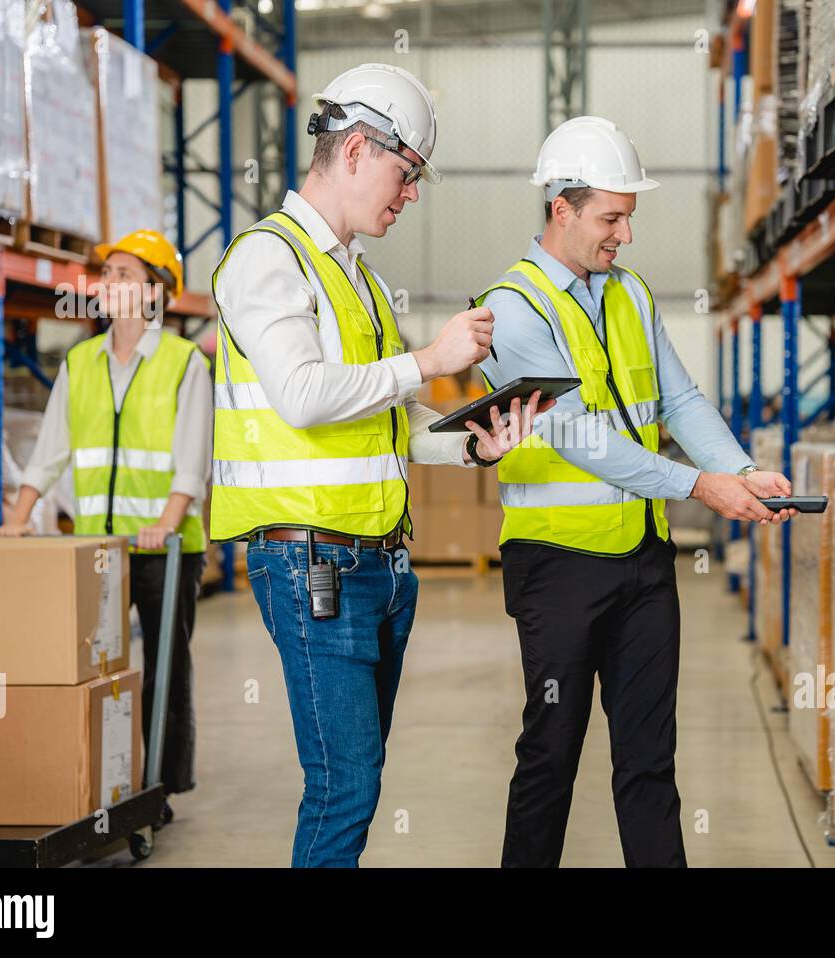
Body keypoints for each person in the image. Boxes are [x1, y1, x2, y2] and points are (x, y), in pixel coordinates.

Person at [210, 62, 549, 868]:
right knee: (345, 786)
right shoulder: (269, 259)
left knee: (355, 780)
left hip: (374, 569)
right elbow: (301, 394)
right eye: (408, 172)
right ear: (358, 149)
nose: (412, 194)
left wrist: (472, 443)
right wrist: (430, 358)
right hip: (311, 565)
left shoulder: (357, 276)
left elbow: (383, 418)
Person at [475, 116, 796, 868]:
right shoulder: (513, 310)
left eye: (629, 216)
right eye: (611, 217)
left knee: (650, 761)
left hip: (644, 562)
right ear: (561, 208)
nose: (624, 234)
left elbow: (681, 403)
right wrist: (701, 486)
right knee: (551, 756)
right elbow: (583, 438)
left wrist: (741, 470)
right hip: (556, 567)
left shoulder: (629, 294)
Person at [0, 229, 210, 826]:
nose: (108, 284)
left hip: (165, 548)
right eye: (107, 274)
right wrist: (17, 520)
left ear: (154, 292)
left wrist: (165, 522)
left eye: (122, 274)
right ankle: (104, 779)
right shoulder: (80, 362)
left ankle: (159, 786)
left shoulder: (183, 362)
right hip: (98, 549)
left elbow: (192, 459)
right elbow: (49, 452)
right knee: (98, 672)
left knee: (166, 666)